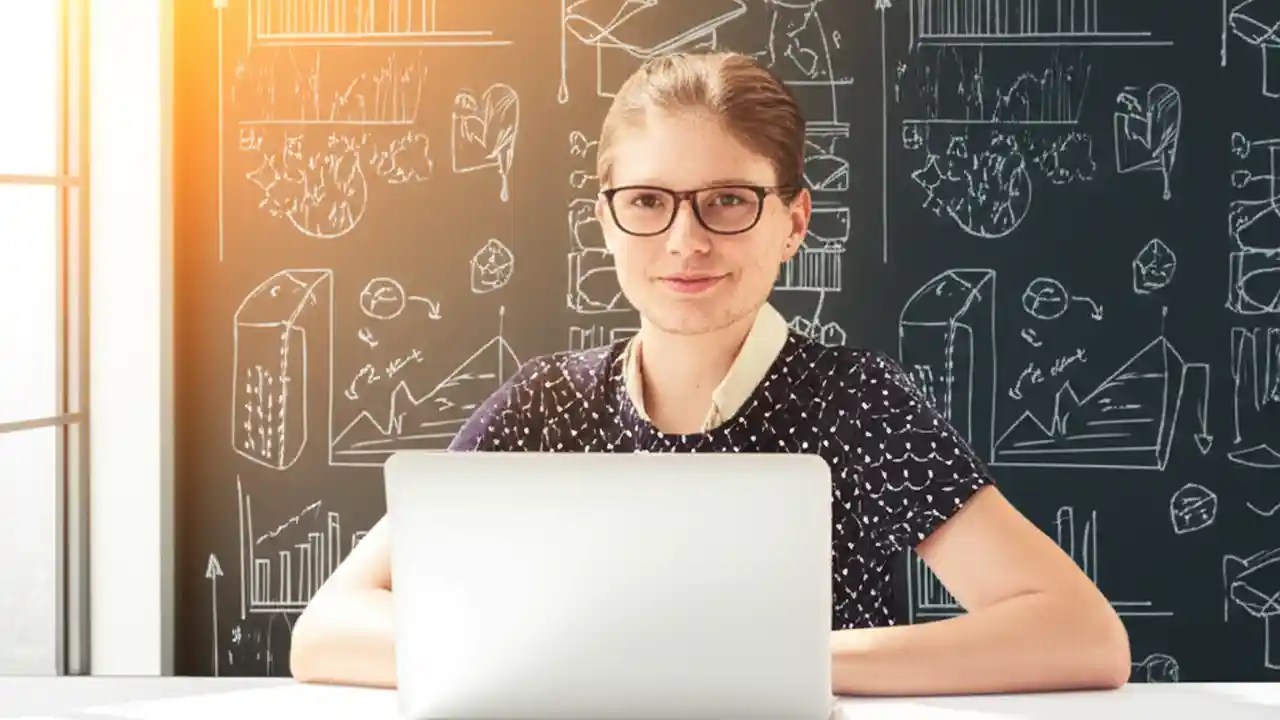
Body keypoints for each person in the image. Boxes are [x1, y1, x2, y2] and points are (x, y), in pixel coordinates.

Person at [290, 50, 1132, 695]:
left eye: (728, 201)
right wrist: (616, 662)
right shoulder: (542, 405)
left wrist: (768, 664)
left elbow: (1081, 635)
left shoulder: (861, 405)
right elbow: (325, 630)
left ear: (793, 221)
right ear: (607, 223)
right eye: (649, 202)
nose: (685, 242)